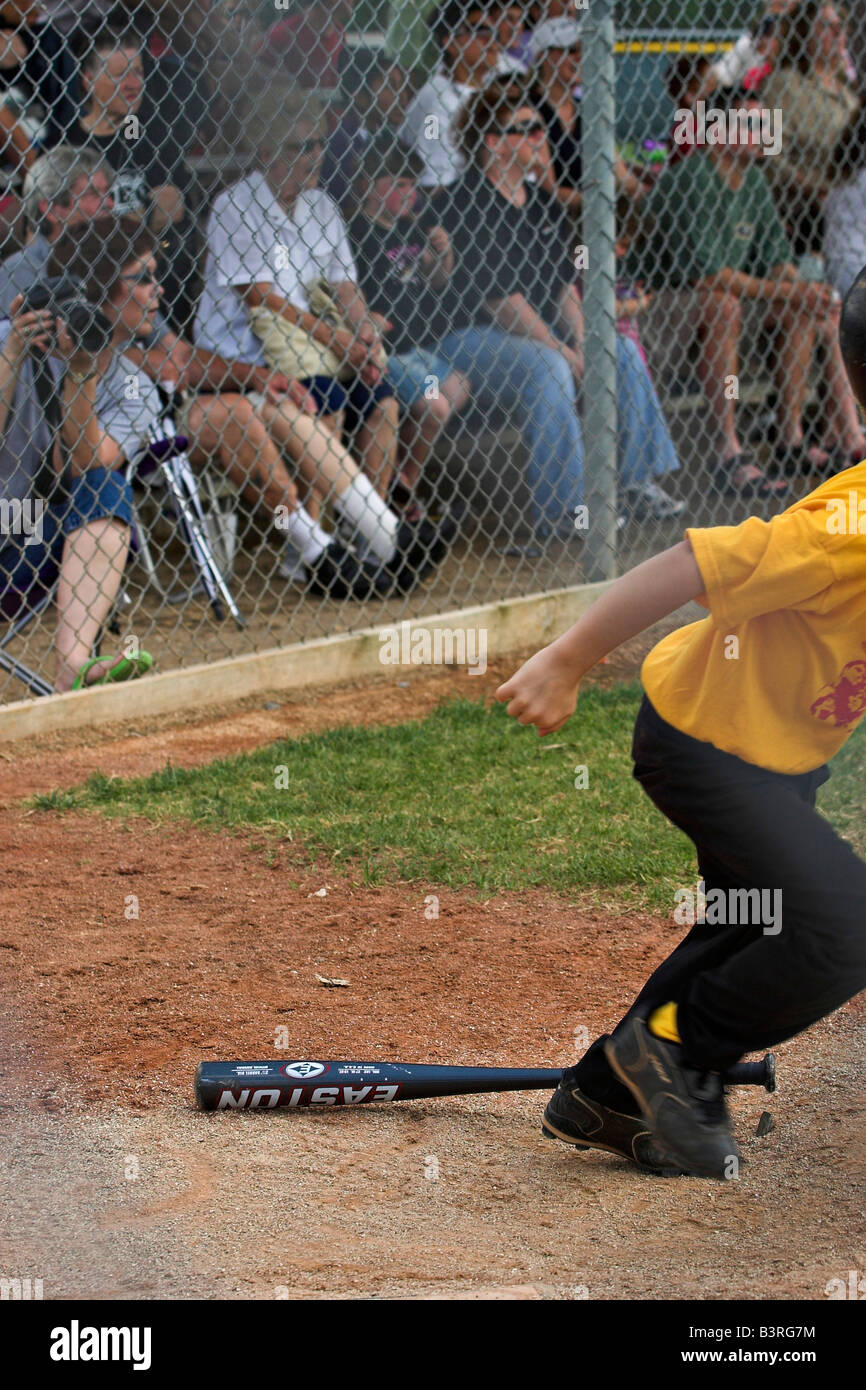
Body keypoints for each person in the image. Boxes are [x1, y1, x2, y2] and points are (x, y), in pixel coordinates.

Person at [495, 357, 866, 1177]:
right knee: (846, 928)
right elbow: (692, 564)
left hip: (776, 754)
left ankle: (602, 1096)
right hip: (704, 744)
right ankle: (669, 1050)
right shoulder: (852, 525)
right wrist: (569, 658)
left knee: (751, 924)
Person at [194, 91, 450, 591]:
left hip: (316, 350)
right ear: (266, 151)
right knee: (325, 401)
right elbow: (261, 297)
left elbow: (346, 287)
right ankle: (307, 557)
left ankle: (371, 544)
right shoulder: (235, 205)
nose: (314, 157)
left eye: (318, 145)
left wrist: (365, 340)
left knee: (383, 404)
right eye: (299, 147)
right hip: (248, 356)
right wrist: (338, 338)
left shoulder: (321, 205)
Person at [438, 80, 684, 535]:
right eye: (527, 130)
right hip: (468, 339)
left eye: (540, 128)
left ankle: (635, 481)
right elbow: (502, 303)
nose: (541, 138)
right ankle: (564, 508)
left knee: (619, 351)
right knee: (550, 367)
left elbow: (561, 287)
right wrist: (567, 353)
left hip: (533, 334)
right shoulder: (467, 199)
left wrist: (587, 342)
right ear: (494, 142)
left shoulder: (541, 204)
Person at [637, 86, 866, 491]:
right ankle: (729, 452)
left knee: (814, 305)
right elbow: (709, 277)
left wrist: (806, 290)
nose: (763, 131)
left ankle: (807, 440)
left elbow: (777, 259)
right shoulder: (696, 177)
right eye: (751, 124)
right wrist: (793, 291)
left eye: (764, 122)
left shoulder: (754, 179)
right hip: (659, 308)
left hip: (729, 300)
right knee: (725, 304)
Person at [0, 220, 163, 693]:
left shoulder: (137, 388)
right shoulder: (14, 339)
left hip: (33, 534)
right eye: (143, 277)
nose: (158, 290)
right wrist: (13, 350)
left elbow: (87, 465)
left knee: (106, 487)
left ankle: (72, 667)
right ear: (99, 290)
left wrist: (82, 374)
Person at [348, 139, 471, 505]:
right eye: (399, 184)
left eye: (413, 185)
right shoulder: (358, 233)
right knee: (436, 406)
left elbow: (435, 283)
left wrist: (441, 254)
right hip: (389, 353)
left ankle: (399, 474)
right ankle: (406, 484)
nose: (410, 193)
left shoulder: (411, 228)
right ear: (370, 186)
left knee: (459, 386)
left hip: (418, 347)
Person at [761, 1, 858, 256]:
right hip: (805, 210)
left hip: (851, 202)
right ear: (803, 32)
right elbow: (771, 157)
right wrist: (812, 187)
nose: (838, 33)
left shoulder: (848, 90)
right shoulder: (784, 86)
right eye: (827, 26)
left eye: (842, 26)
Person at [400, 0, 521, 193]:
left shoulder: (492, 92)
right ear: (450, 42)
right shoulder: (435, 103)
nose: (491, 42)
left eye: (494, 33)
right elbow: (434, 185)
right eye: (480, 32)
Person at [320, 50, 410, 215]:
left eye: (403, 85)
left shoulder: (389, 137)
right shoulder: (340, 147)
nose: (403, 96)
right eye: (390, 86)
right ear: (360, 97)